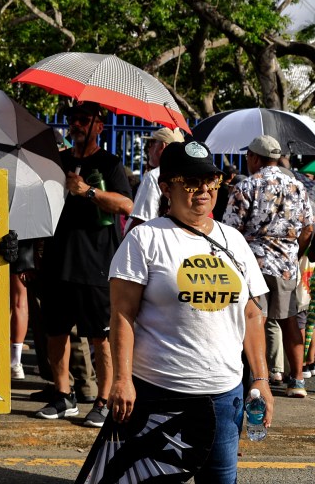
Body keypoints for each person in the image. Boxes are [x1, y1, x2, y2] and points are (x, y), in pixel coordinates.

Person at [109, 141, 271, 484]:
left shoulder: (234, 241)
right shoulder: (144, 239)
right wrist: (122, 379)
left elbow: (253, 314)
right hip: (158, 394)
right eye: (191, 182)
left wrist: (260, 380)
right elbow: (122, 313)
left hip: (224, 398)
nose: (203, 190)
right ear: (166, 188)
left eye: (210, 181)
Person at [34, 102, 132, 427]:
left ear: (99, 126)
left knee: (100, 337)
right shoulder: (60, 162)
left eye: (84, 120)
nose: (76, 124)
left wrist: (87, 191)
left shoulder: (110, 163)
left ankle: (103, 400)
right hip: (59, 262)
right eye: (73, 119)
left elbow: (125, 204)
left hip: (97, 263)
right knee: (56, 332)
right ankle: (64, 395)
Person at [221, 134, 315, 398]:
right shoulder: (298, 187)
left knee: (255, 321)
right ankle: (297, 380)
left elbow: (229, 230)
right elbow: (308, 227)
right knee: (289, 321)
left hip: (253, 263)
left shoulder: (247, 186)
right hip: (287, 264)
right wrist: (295, 255)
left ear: (254, 157)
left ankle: (254, 377)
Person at [127, 127, 185, 231]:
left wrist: (125, 242)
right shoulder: (188, 173)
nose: (149, 149)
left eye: (152, 143)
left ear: (162, 146)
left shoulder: (154, 176)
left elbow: (141, 220)